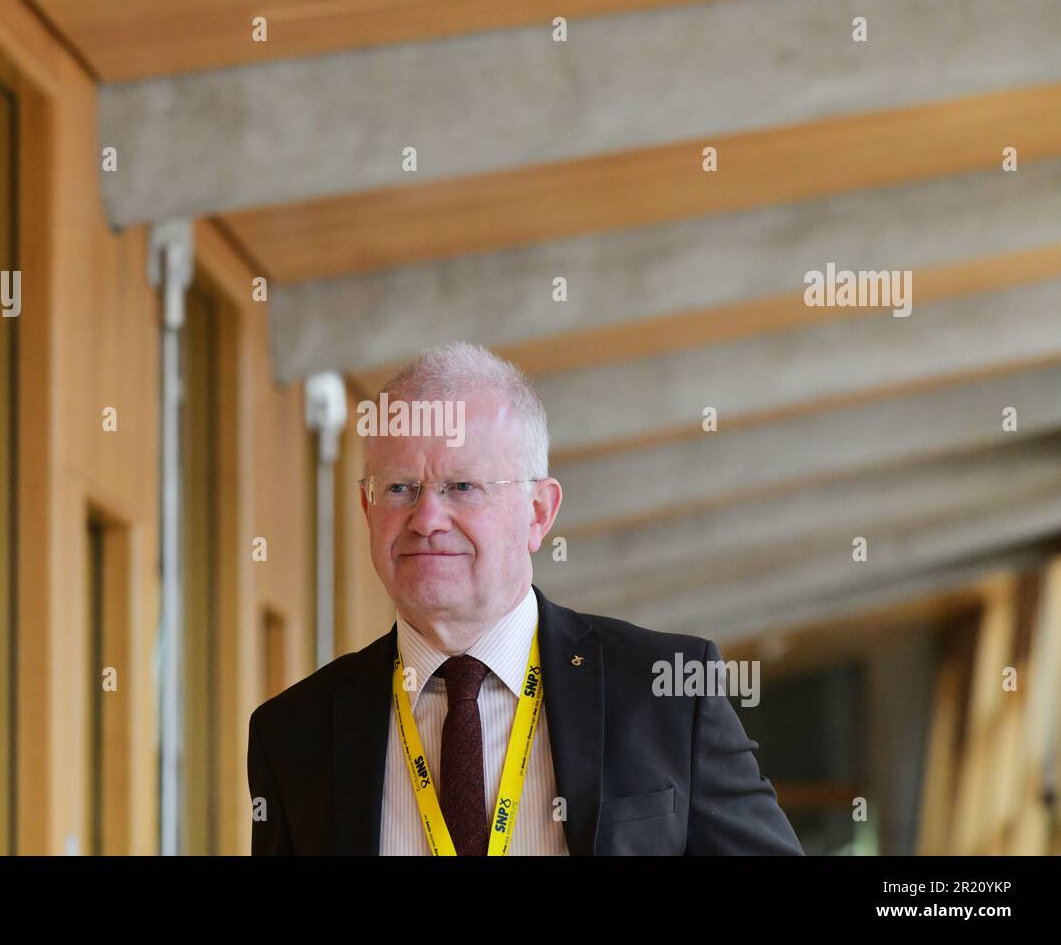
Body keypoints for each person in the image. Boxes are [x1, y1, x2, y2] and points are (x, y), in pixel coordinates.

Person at [247, 341, 803, 855]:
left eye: (462, 487)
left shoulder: (668, 694)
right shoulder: (294, 735)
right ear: (368, 511)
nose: (427, 520)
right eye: (400, 488)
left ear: (539, 512)